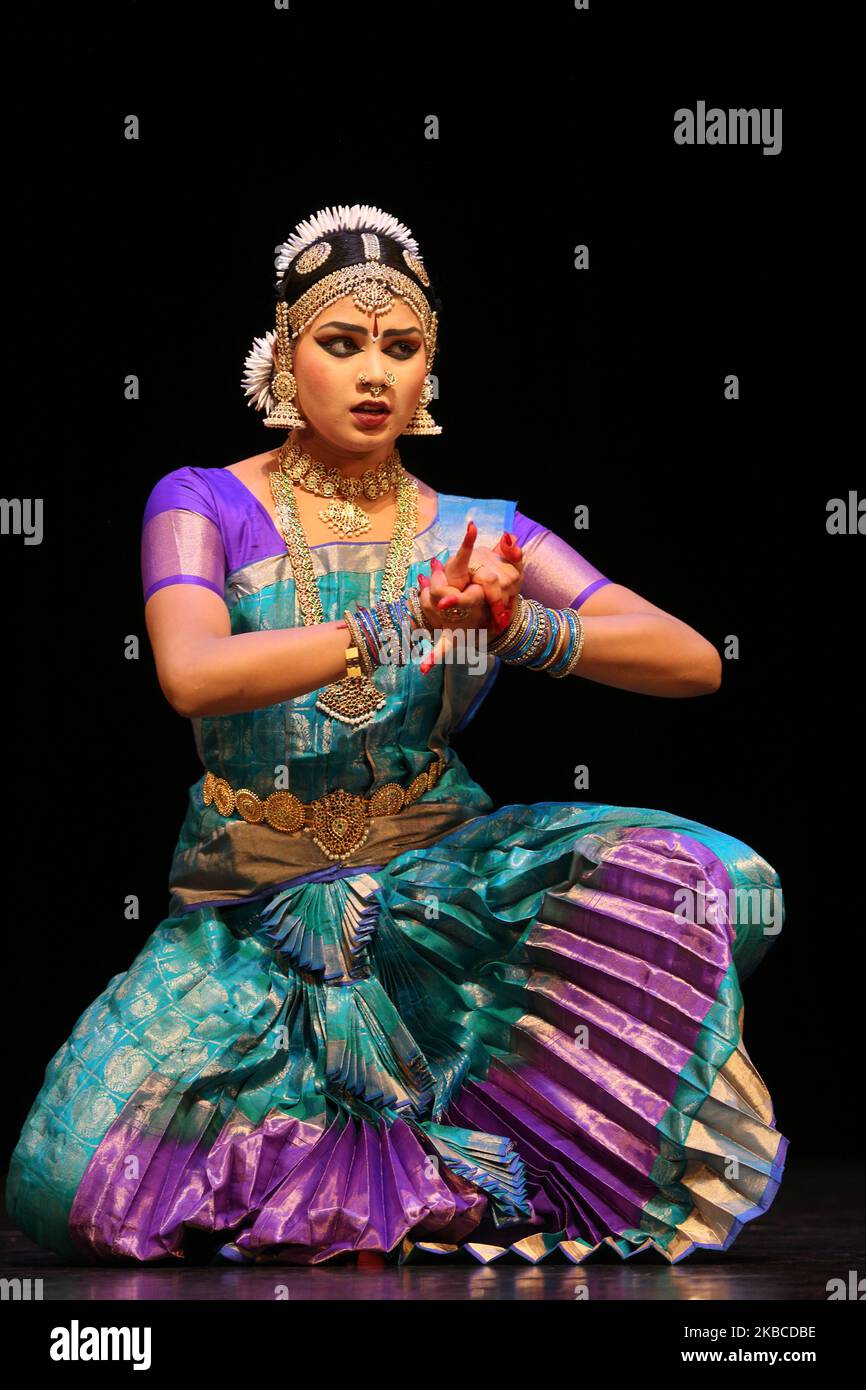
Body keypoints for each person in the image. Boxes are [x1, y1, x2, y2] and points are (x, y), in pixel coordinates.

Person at [5, 204, 787, 1268]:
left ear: (429, 368)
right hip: (250, 914)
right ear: (286, 358)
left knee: (679, 873)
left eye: (401, 346)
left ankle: (465, 1179)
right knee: (74, 1181)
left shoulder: (476, 525)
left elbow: (692, 660)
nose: (373, 372)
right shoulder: (202, 501)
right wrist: (396, 620)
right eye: (341, 343)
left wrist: (522, 625)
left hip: (436, 901)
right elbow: (191, 674)